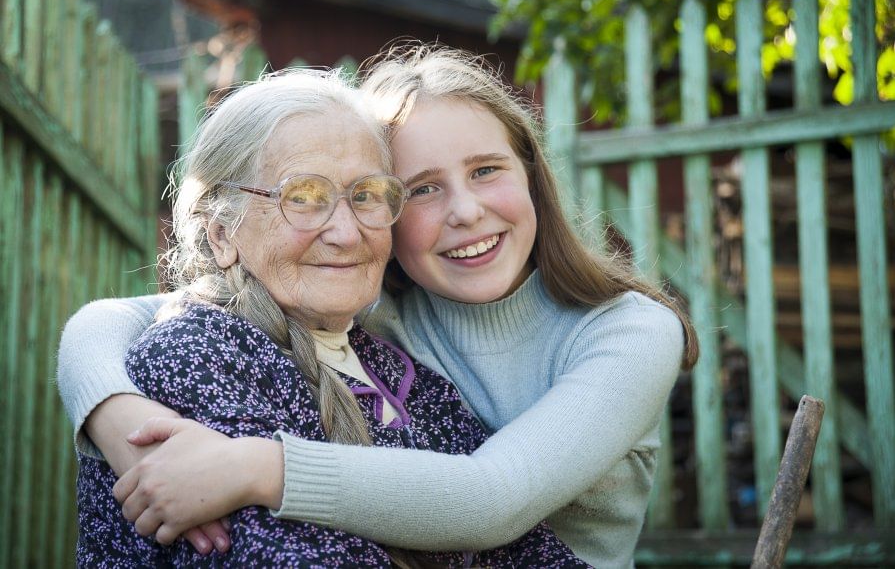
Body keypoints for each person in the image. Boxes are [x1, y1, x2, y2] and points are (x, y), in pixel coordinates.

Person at [58, 44, 697, 568]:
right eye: (421, 189)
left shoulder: (626, 330)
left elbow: (491, 501)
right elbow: (132, 318)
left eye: (485, 170)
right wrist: (113, 413)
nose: (466, 211)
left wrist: (256, 466)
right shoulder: (374, 318)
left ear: (532, 173)